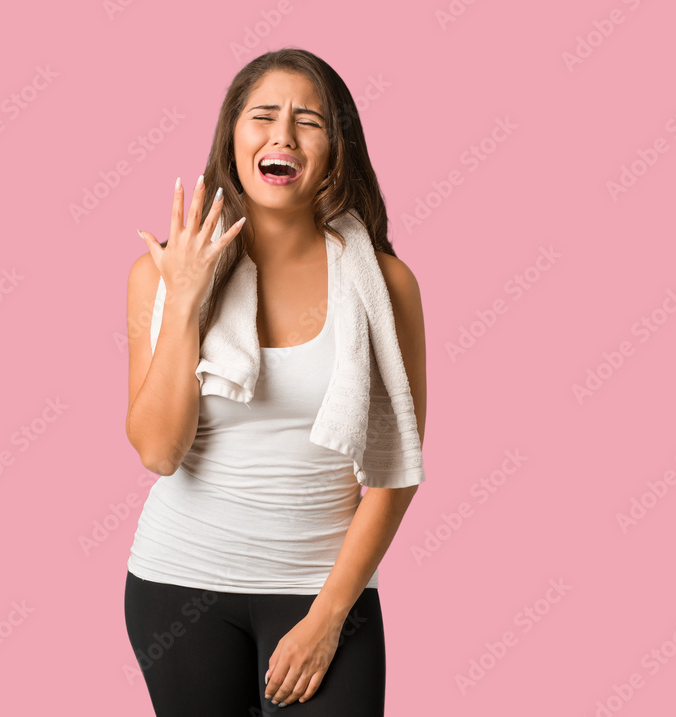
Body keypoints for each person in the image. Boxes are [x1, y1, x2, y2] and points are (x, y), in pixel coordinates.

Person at [122, 47, 426, 715]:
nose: (282, 134)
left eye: (308, 120)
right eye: (263, 115)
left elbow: (396, 468)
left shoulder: (386, 285)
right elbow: (158, 450)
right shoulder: (158, 276)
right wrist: (185, 300)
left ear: (337, 149)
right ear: (233, 138)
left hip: (326, 589)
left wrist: (327, 618)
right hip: (179, 584)